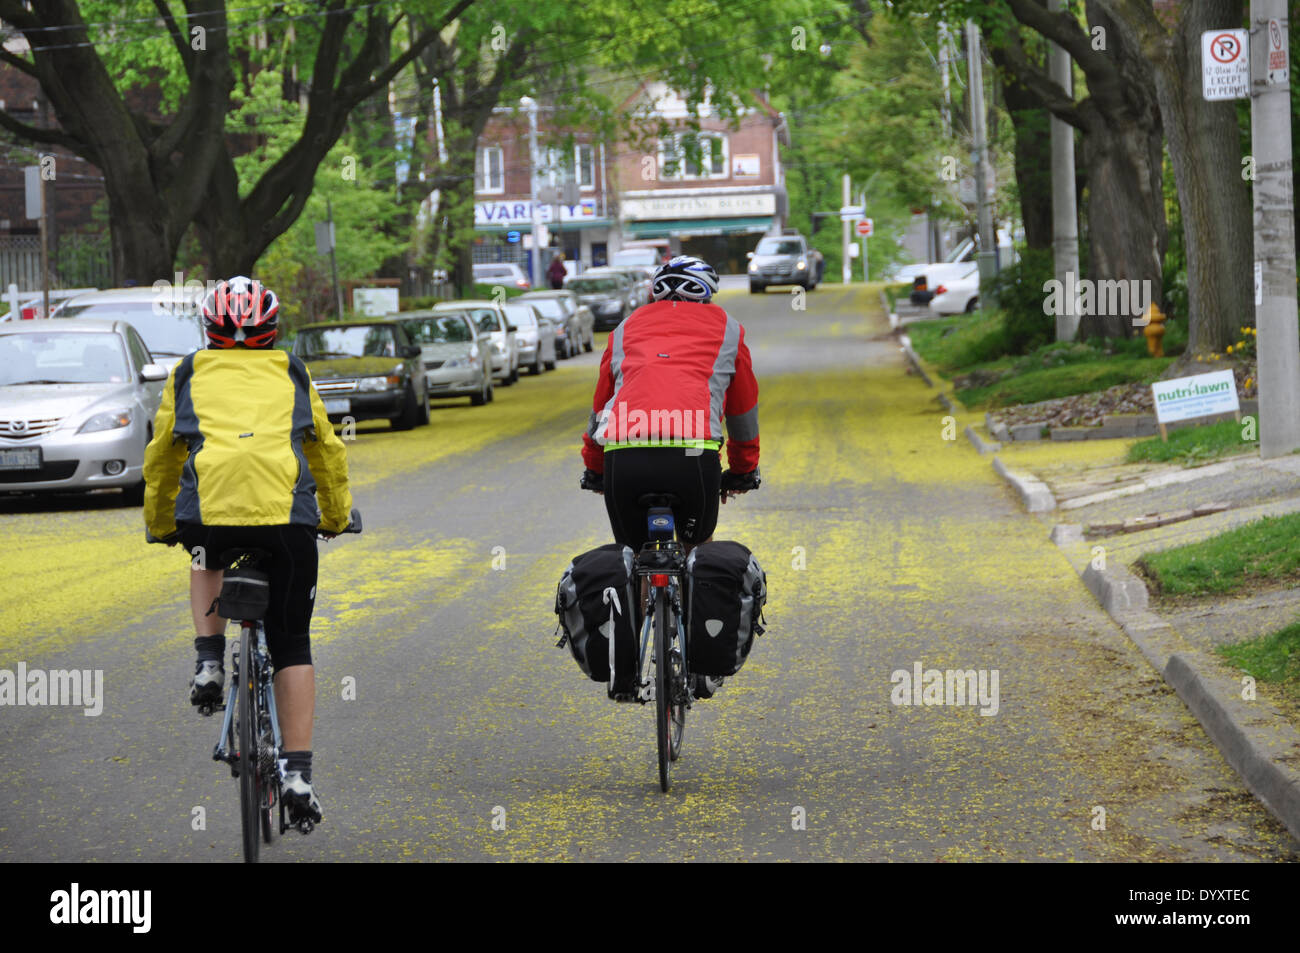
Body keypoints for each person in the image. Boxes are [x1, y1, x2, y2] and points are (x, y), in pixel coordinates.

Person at [143, 276, 352, 828]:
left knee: (202, 554)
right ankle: (298, 774)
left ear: (208, 330)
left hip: (208, 514)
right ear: (272, 330)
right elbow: (326, 450)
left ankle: (209, 660)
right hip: (285, 521)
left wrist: (162, 523)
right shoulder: (291, 370)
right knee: (292, 643)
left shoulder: (187, 371)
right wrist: (333, 516)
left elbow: (163, 454)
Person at [580, 254, 760, 553]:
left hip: (625, 455)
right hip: (692, 451)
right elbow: (742, 409)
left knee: (633, 556)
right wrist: (743, 469)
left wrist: (595, 467)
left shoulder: (625, 328)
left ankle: (633, 594)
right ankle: (697, 587)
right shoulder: (728, 328)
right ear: (707, 294)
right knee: (698, 552)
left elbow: (601, 407)